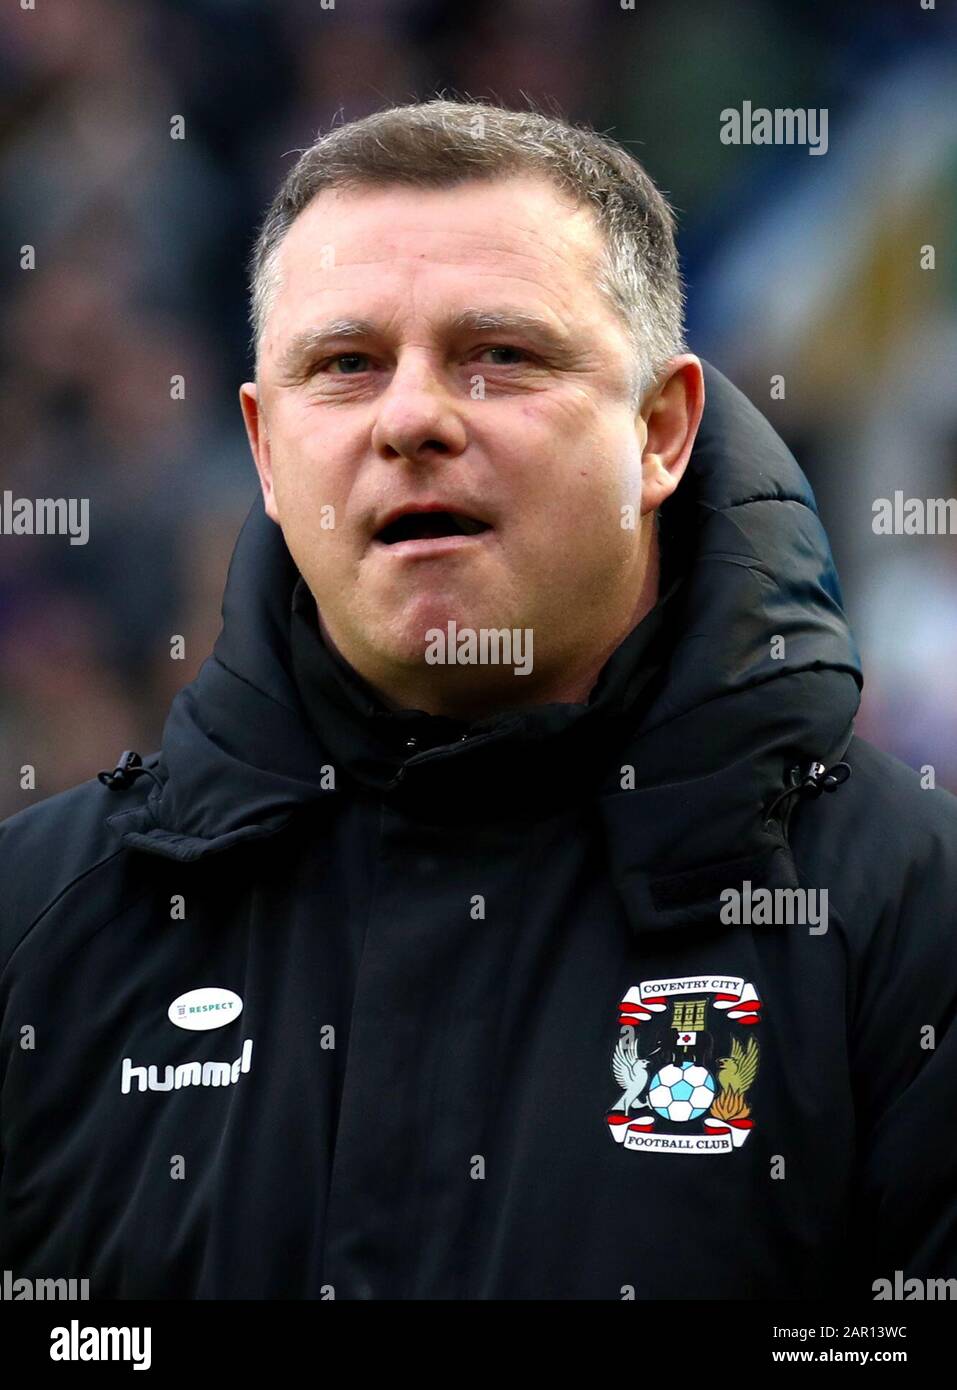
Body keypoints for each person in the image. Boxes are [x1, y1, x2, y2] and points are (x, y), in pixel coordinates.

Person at [1, 98, 955, 1302]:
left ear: (659, 432)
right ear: (263, 449)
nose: (412, 418)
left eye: (500, 355)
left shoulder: (913, 927)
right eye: (345, 366)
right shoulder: (35, 929)